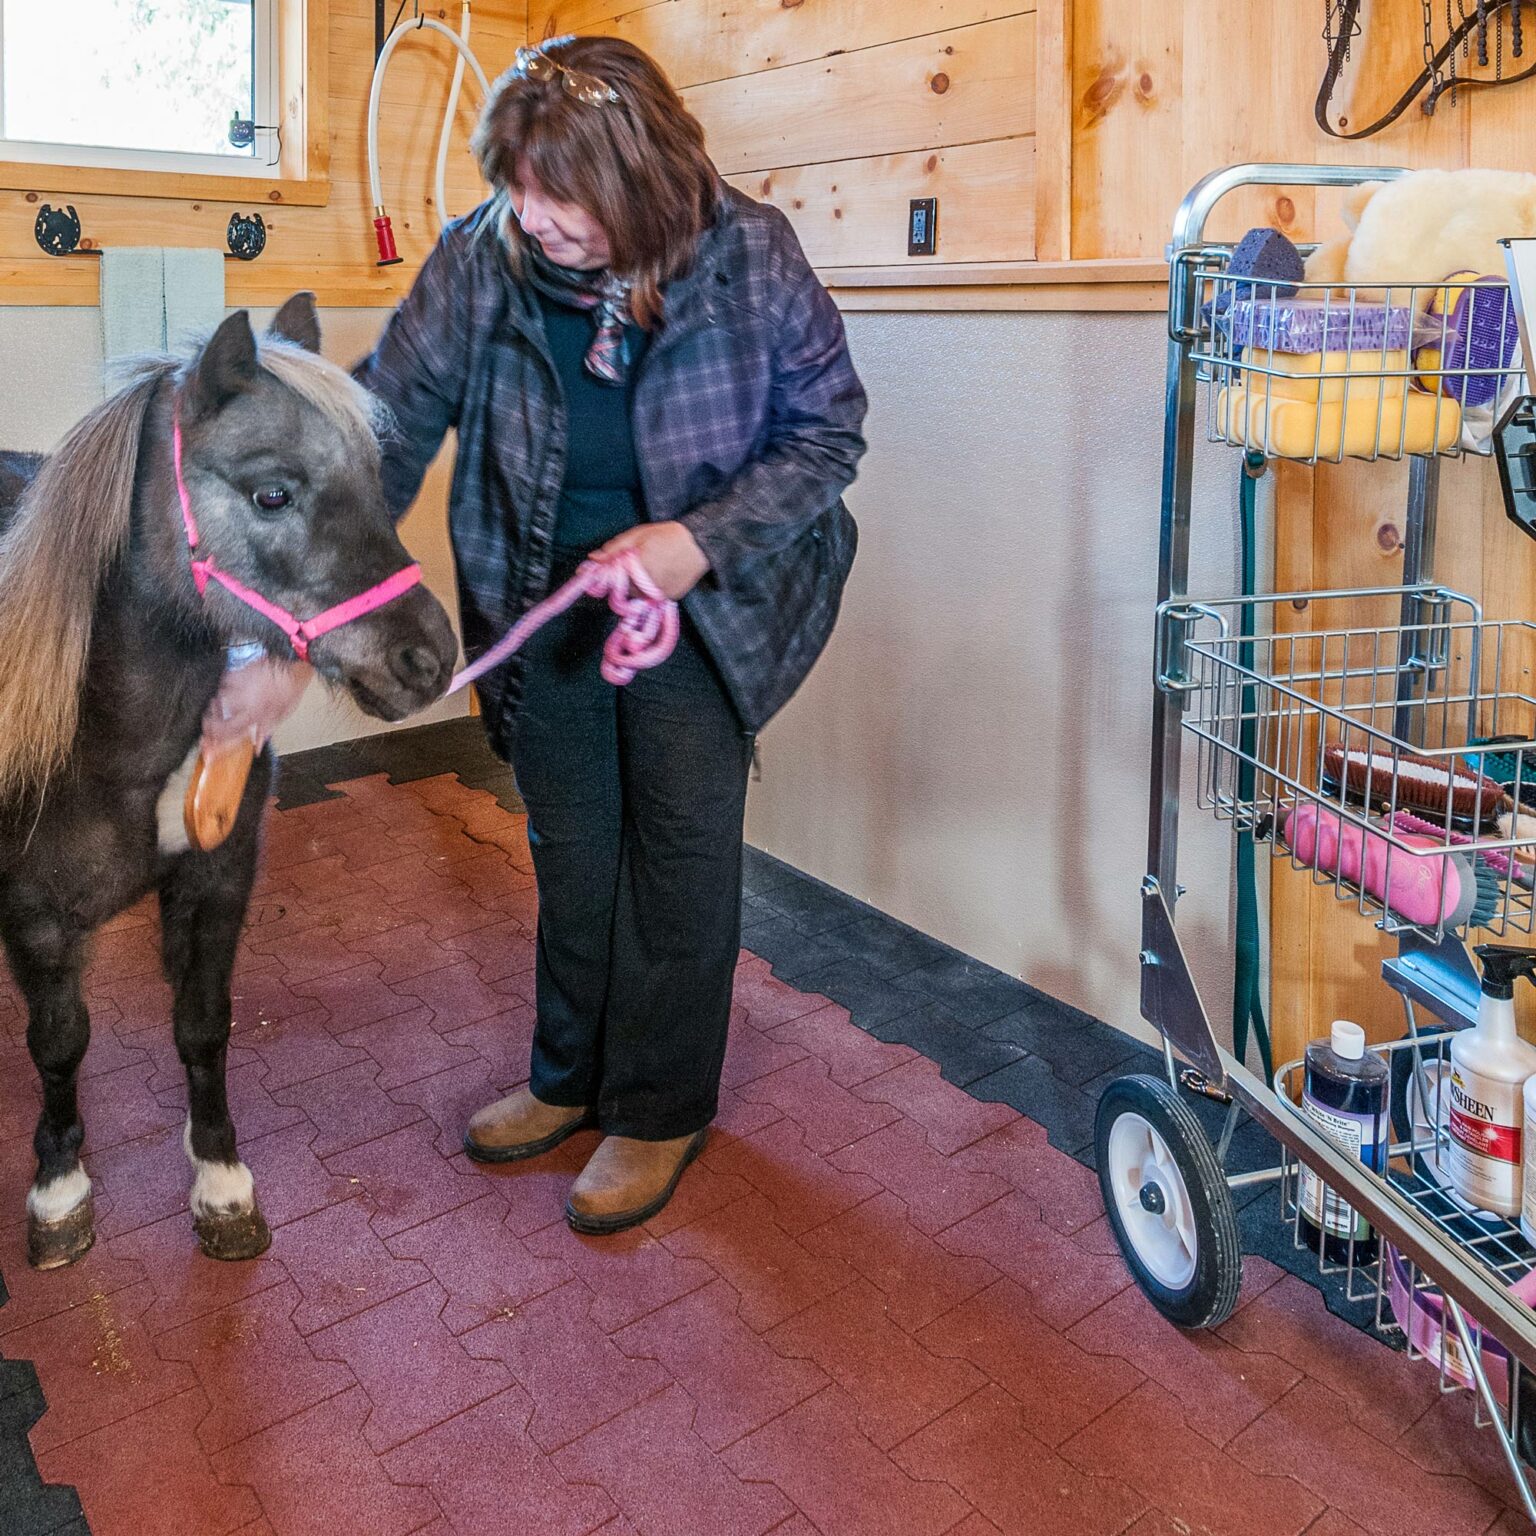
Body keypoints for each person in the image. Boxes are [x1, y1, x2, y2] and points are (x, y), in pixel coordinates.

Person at [267, 34, 865, 1234]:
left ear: (640, 177)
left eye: (559, 194)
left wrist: (695, 540)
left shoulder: (749, 252)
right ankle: (567, 1078)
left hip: (706, 603)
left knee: (679, 853)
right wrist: (298, 607)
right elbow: (388, 428)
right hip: (538, 592)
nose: (530, 217)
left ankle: (658, 1108)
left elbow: (828, 432)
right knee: (573, 848)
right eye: (516, 187)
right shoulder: (478, 259)